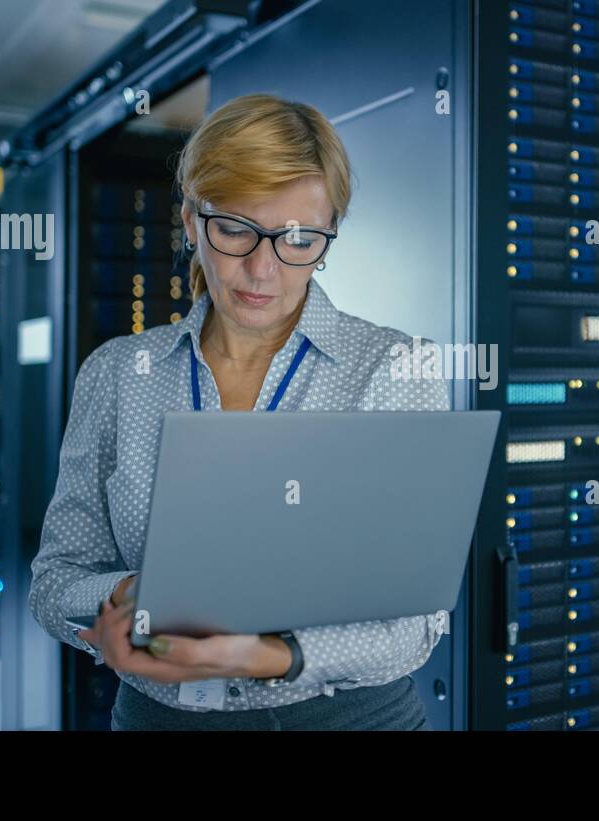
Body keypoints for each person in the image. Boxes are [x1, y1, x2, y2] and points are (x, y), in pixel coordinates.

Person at [28, 93, 450, 730]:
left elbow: (416, 624)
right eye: (234, 229)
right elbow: (54, 581)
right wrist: (117, 603)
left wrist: (269, 655)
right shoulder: (116, 374)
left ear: (329, 234)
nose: (262, 270)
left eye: (299, 239)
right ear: (192, 221)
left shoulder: (394, 369)